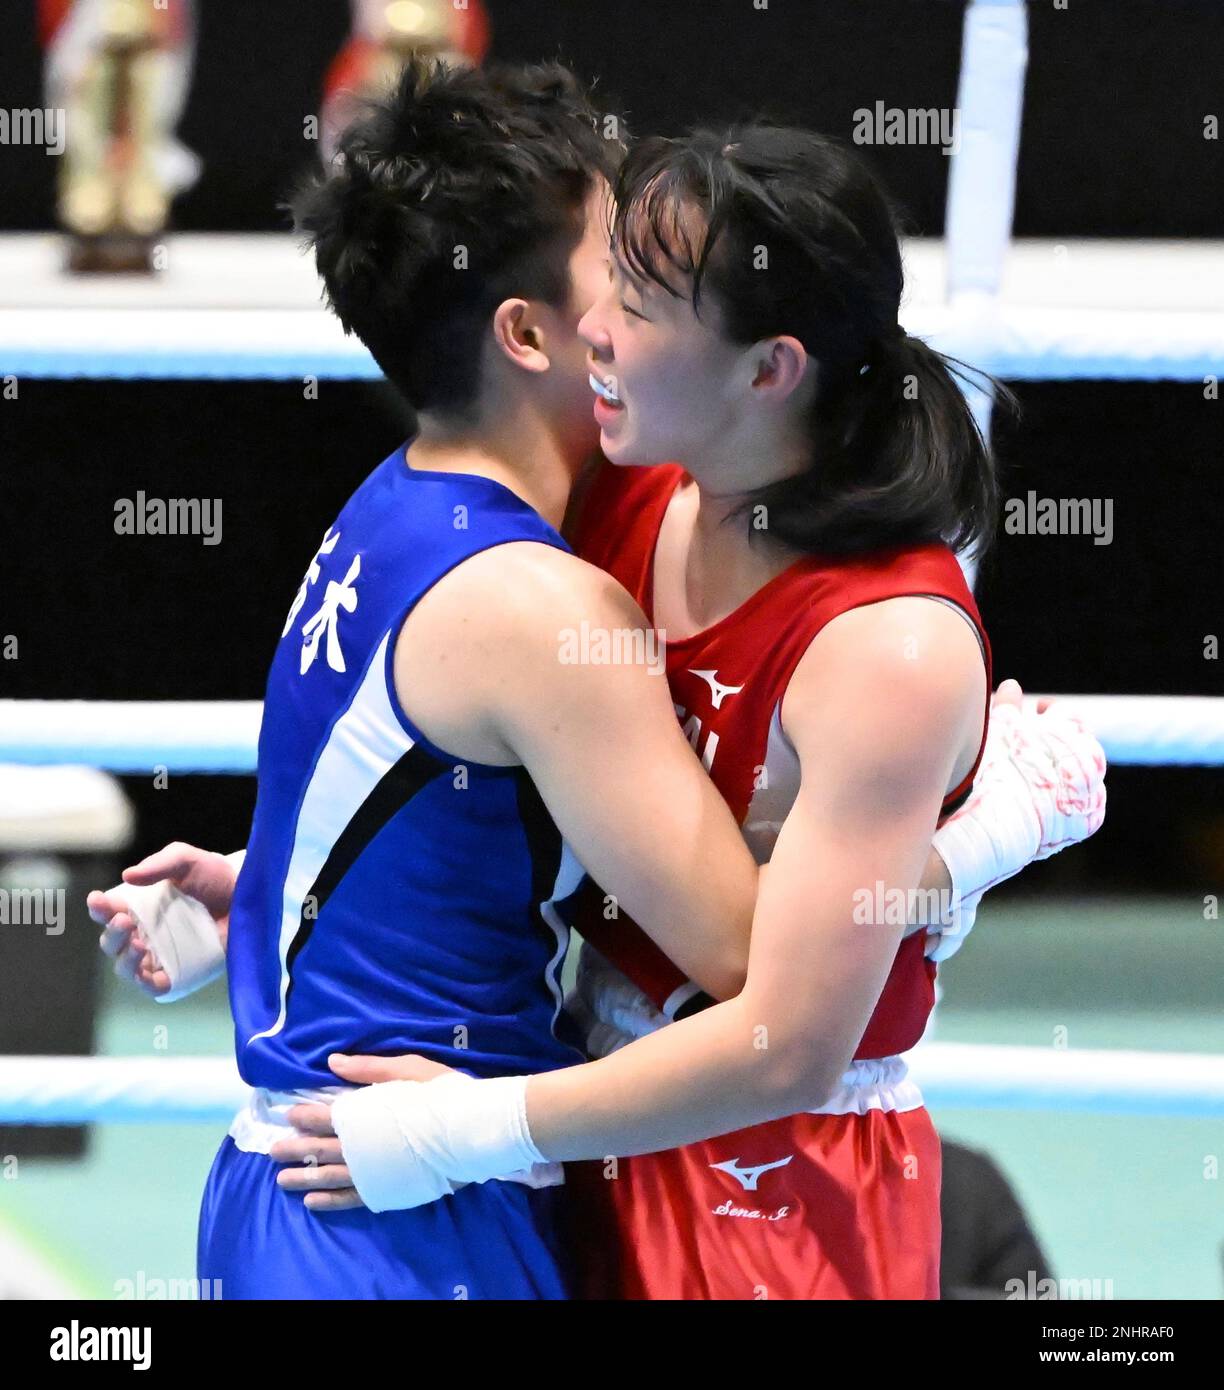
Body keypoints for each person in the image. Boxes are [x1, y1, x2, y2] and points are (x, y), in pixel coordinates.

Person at [90, 70, 1106, 1300]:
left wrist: (285, 901)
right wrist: (983, 837)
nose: (611, 329)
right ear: (526, 332)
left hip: (748, 1181)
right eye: (606, 278)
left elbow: (774, 1014)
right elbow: (736, 941)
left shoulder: (862, 630)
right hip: (453, 1161)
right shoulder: (578, 543)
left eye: (642, 294)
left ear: (767, 367)